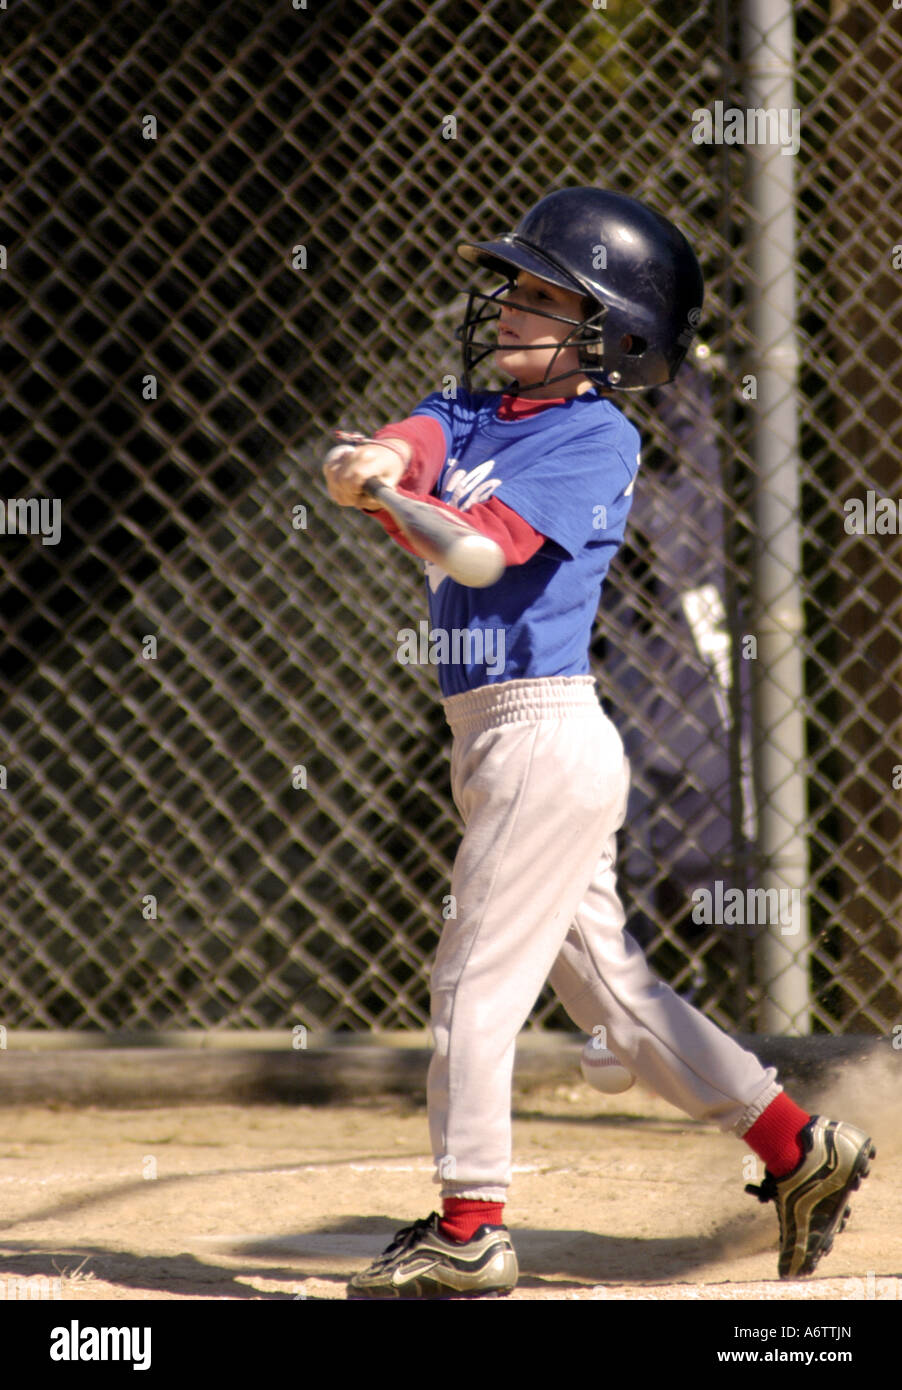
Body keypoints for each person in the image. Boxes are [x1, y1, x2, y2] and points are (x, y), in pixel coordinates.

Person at [322, 187, 875, 1300]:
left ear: (614, 334)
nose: (512, 309)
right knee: (615, 1000)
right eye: (516, 288)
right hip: (485, 737)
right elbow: (413, 436)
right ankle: (793, 1145)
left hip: (542, 733)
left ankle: (469, 1225)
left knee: (470, 982)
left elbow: (480, 555)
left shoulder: (594, 435)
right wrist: (374, 459)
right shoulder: (472, 410)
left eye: (545, 296)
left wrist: (383, 498)